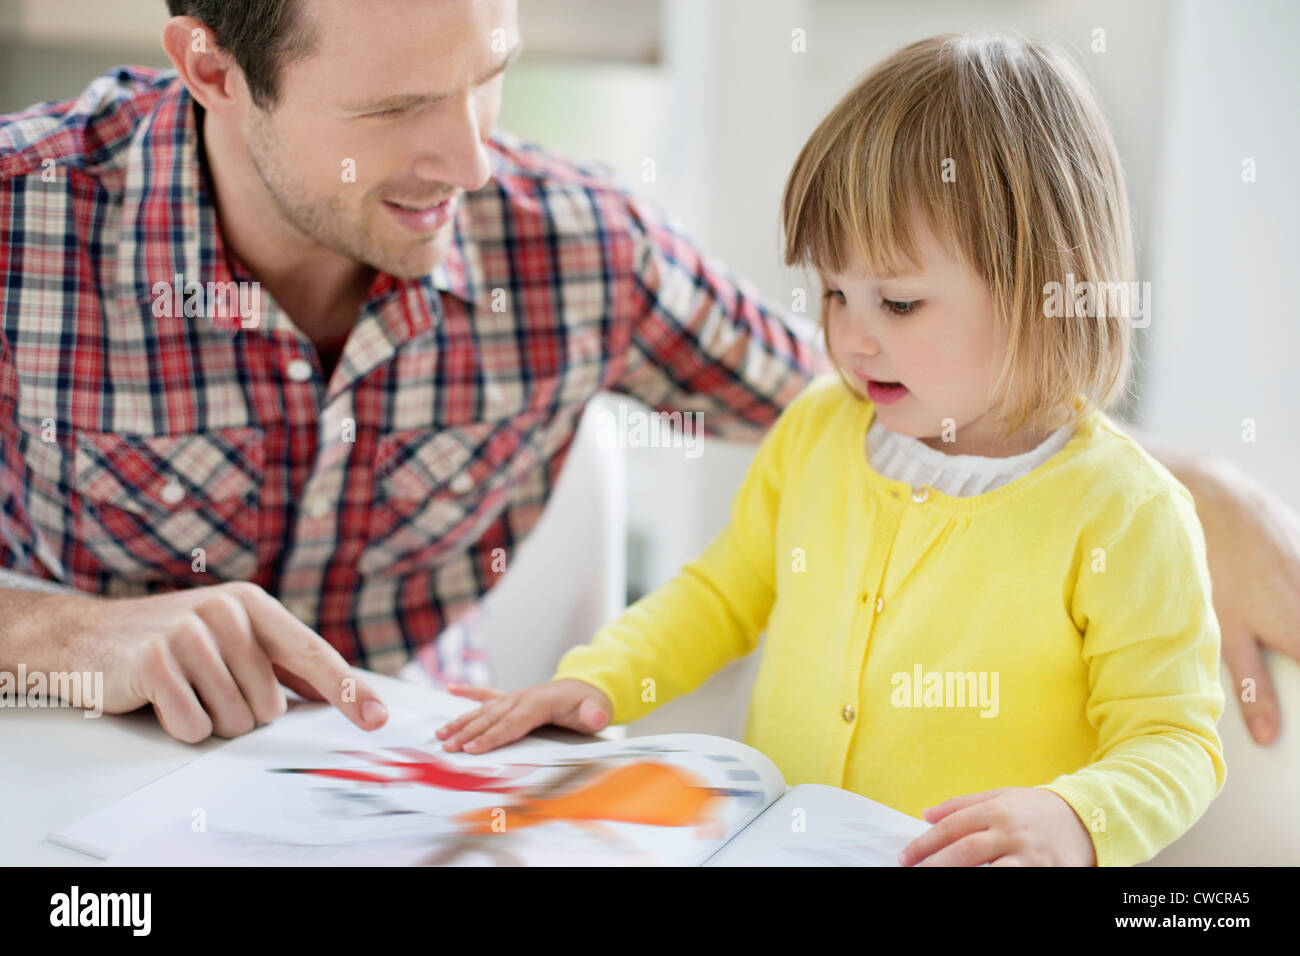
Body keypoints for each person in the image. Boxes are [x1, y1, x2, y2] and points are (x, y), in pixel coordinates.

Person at [0, 2, 1294, 749]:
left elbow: (885, 390)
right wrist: (57, 636)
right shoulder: (23, 218)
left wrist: (1177, 487)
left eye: (488, 79)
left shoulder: (575, 245)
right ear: (213, 70)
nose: (469, 160)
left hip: (409, 806)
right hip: (70, 796)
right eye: (394, 112)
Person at [435, 32, 1228, 867]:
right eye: (835, 290)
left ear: (1045, 293)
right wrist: (599, 680)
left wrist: (1078, 817)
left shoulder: (1125, 515)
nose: (850, 334)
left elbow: (1174, 739)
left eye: (900, 303)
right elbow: (720, 596)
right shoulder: (818, 428)